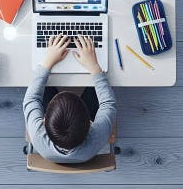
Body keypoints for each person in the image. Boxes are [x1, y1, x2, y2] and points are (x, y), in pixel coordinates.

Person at [24, 34, 116, 164]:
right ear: (90, 123)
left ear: (44, 122)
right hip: (86, 153)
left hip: (55, 151)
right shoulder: (98, 135)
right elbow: (108, 103)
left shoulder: (37, 134)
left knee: (41, 90)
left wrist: (48, 62)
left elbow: (31, 99)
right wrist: (94, 66)